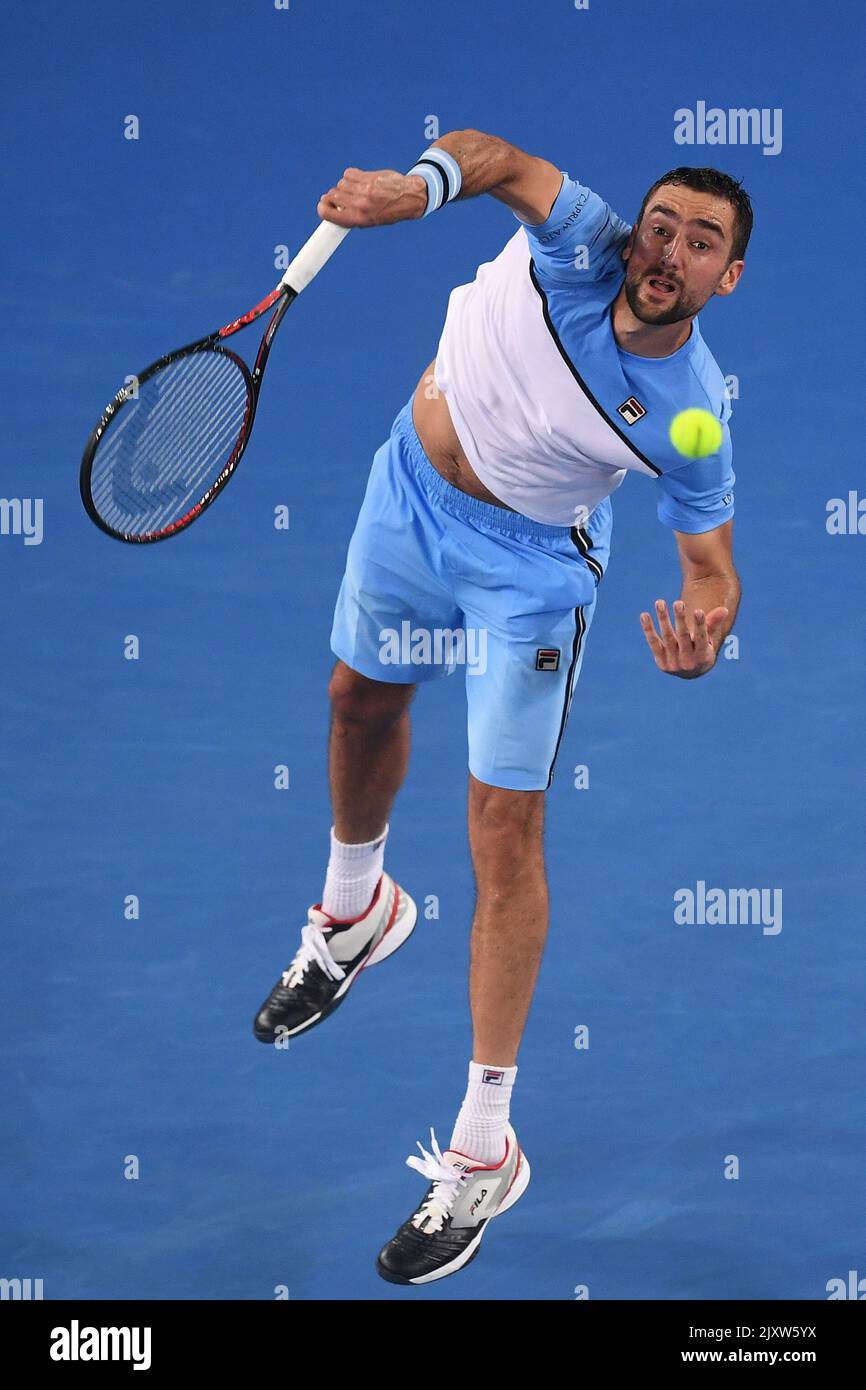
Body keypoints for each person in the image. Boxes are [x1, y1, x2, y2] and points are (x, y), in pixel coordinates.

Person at [254, 129, 748, 1285]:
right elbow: (488, 156)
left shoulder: (686, 413)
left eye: (702, 242)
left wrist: (702, 632)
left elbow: (710, 569)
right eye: (662, 223)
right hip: (407, 495)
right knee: (356, 701)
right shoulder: (582, 240)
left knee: (500, 829)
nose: (667, 248)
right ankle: (353, 914)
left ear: (729, 279)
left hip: (528, 581)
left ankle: (483, 1146)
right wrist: (411, 190)